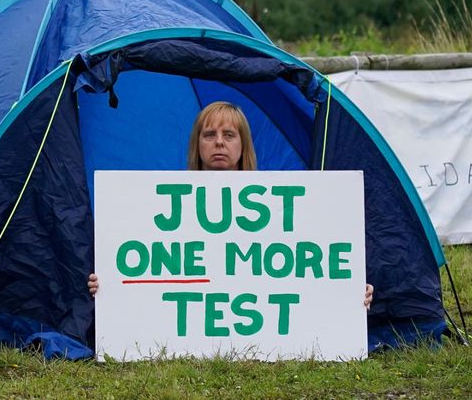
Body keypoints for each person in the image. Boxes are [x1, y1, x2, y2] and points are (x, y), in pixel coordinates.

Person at [88, 102, 372, 308]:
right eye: (209, 135)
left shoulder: (275, 205)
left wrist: (347, 291)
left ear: (243, 145)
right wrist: (110, 285)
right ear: (197, 145)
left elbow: (302, 267)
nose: (219, 143)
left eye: (229, 135)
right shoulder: (165, 204)